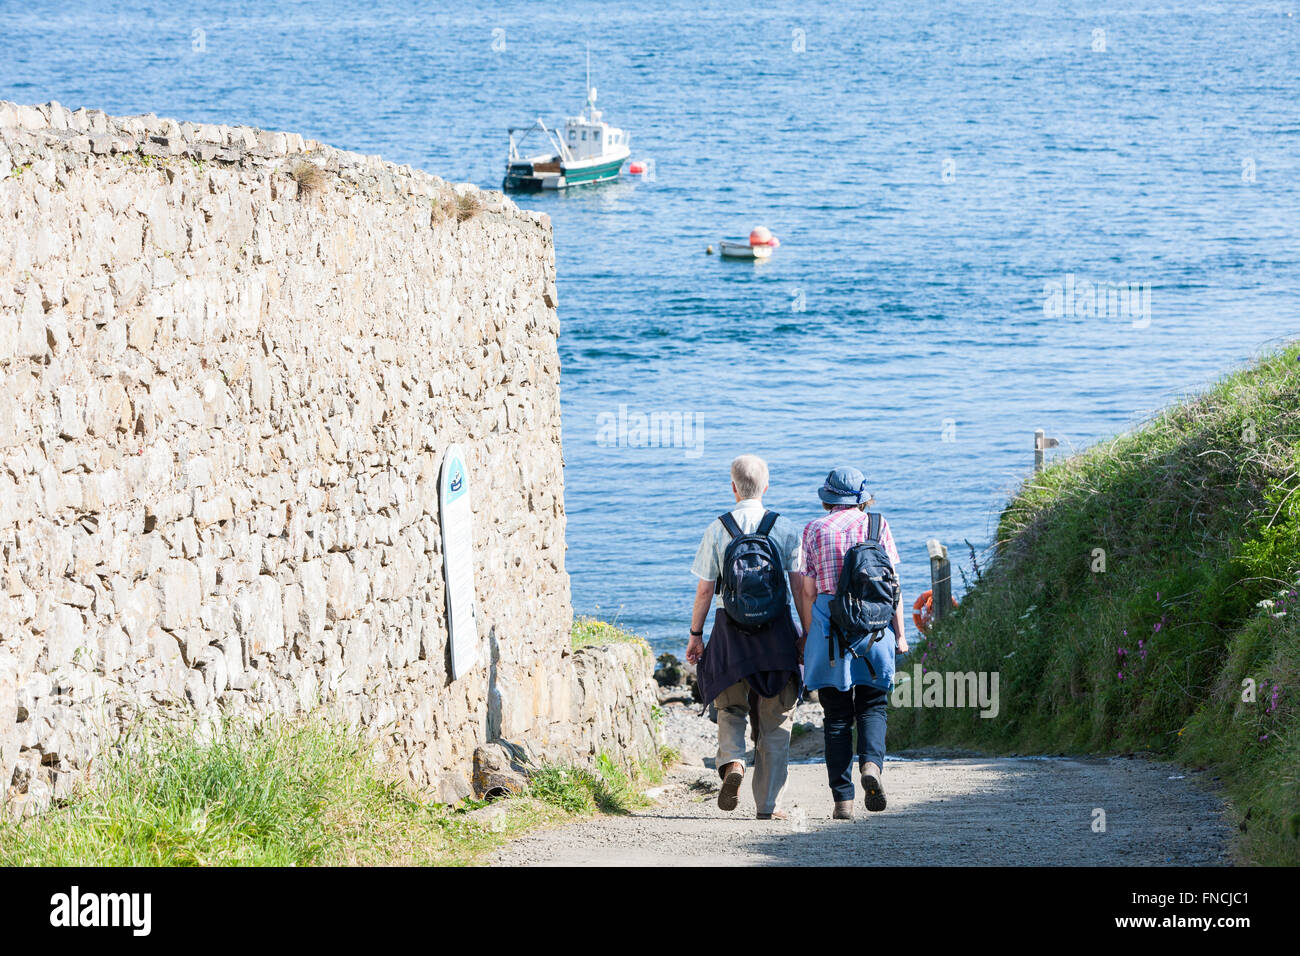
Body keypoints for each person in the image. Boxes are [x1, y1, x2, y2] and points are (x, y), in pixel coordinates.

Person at [686, 454, 804, 820]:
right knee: (776, 719)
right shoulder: (783, 529)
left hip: (730, 633)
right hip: (776, 635)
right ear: (766, 487)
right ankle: (768, 805)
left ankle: (734, 761)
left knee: (730, 708)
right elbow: (800, 589)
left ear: (733, 488)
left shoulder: (718, 529)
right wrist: (806, 635)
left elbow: (705, 592)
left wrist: (695, 636)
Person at [796, 467, 908, 820]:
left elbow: (808, 589)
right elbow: (893, 586)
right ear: (862, 497)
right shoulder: (878, 525)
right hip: (875, 627)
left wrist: (811, 633)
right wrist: (901, 635)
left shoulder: (814, 529)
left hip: (831, 629)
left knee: (836, 718)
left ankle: (842, 801)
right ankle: (871, 767)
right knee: (873, 706)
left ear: (828, 497)